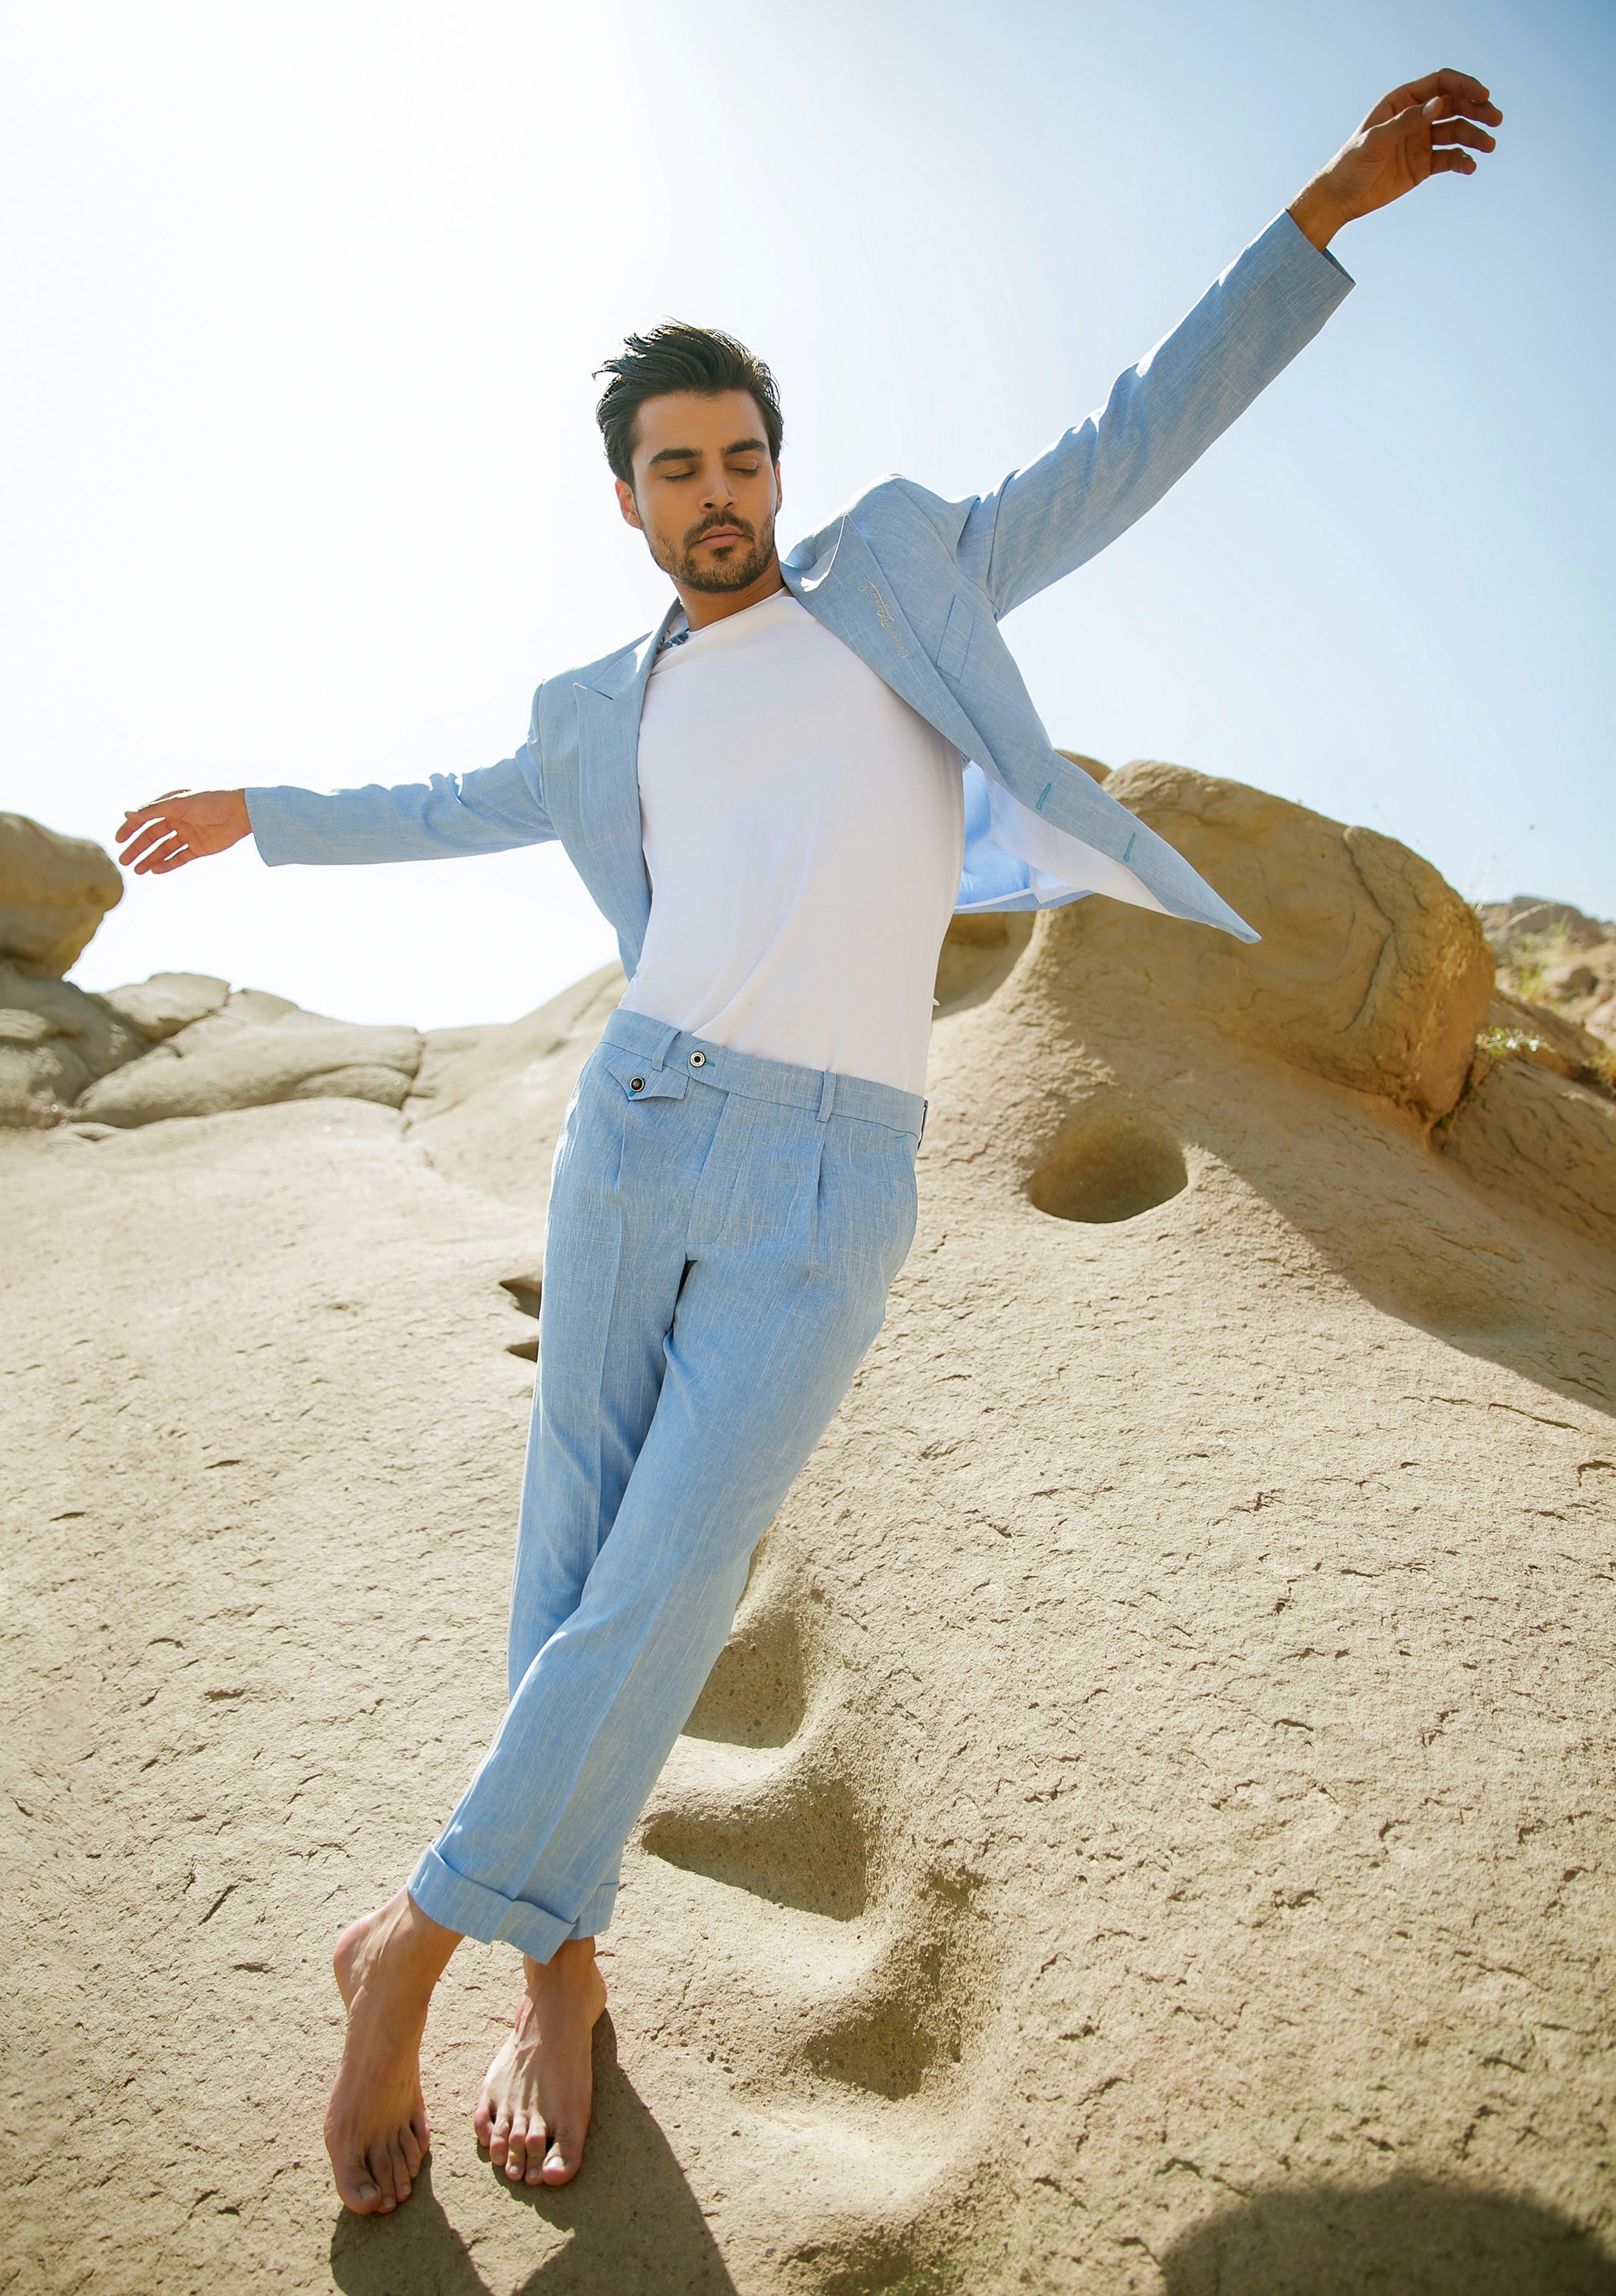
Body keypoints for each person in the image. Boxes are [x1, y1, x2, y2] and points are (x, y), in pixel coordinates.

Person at [116, 68, 1499, 2216]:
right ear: (628, 501)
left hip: (832, 1173)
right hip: (637, 1124)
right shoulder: (604, 704)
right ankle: (558, 1973)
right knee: (570, 1560)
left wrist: (1321, 209)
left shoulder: (903, 576)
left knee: (671, 1571)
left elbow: (1129, 443)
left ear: (782, 467)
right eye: (681, 468)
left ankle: (410, 1934)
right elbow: (454, 803)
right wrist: (263, 814)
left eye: (746, 453)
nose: (723, 490)